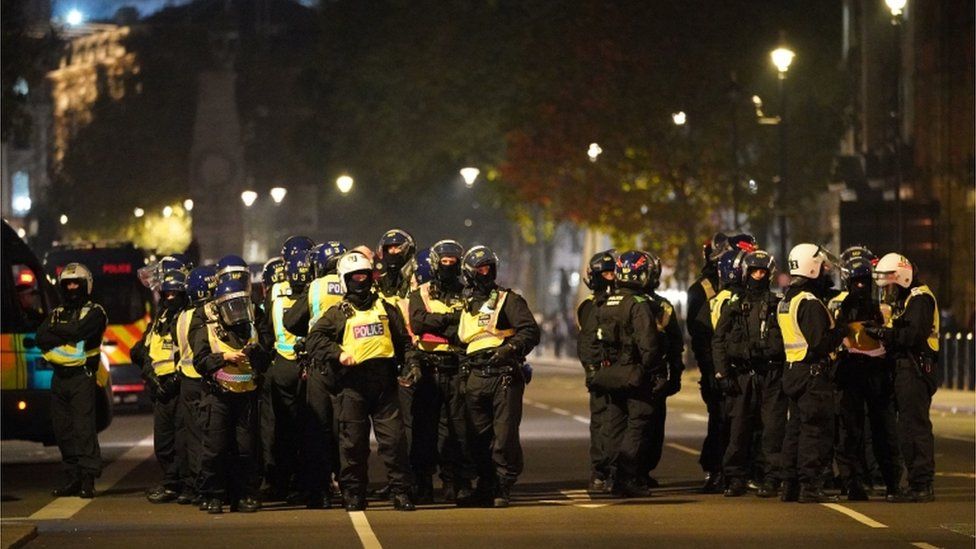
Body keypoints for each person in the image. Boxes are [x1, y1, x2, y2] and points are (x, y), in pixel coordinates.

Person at [305, 251, 418, 512]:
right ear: (345, 280)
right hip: (352, 386)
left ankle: (401, 491)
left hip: (385, 386)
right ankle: (354, 493)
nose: (361, 281)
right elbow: (314, 340)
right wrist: (338, 354)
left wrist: (411, 364)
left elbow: (404, 343)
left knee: (394, 442)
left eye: (365, 276)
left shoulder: (385, 309)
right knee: (353, 444)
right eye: (354, 277)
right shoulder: (337, 313)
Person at [458, 245, 540, 507]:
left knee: (504, 436)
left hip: (503, 374)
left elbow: (529, 331)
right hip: (474, 375)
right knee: (476, 438)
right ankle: (485, 485)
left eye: (488, 268)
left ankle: (503, 486)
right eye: (479, 269)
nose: (485, 273)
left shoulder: (508, 300)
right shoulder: (464, 305)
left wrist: (510, 349)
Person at [190, 277, 272, 514]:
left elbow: (266, 358)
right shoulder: (209, 329)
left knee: (246, 449)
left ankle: (245, 494)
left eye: (241, 305)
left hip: (246, 396)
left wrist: (257, 354)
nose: (237, 311)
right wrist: (224, 358)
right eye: (232, 306)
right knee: (215, 448)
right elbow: (200, 361)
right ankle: (213, 495)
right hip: (218, 396)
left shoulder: (253, 329)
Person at [589, 251, 664, 498]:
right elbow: (649, 345)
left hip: (611, 372)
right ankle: (625, 477)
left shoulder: (607, 302)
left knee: (613, 425)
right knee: (638, 424)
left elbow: (594, 341)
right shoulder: (639, 304)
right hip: (634, 372)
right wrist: (647, 371)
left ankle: (610, 475)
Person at [404, 239, 474, 504]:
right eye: (443, 262)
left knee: (459, 430)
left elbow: (467, 326)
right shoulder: (420, 292)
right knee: (424, 431)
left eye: (452, 262)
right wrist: (450, 320)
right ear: (435, 263)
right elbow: (419, 323)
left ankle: (457, 482)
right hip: (428, 369)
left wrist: (442, 324)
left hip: (458, 367)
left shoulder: (468, 291)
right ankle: (422, 483)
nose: (448, 266)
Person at [712, 250, 787, 498]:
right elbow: (719, 340)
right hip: (742, 375)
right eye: (754, 271)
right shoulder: (734, 305)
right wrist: (722, 373)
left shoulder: (778, 304)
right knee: (739, 430)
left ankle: (771, 478)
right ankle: (735, 478)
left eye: (762, 272)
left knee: (773, 430)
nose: (758, 275)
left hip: (771, 375)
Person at [828, 251, 902, 501]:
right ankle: (853, 483)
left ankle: (891, 481)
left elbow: (892, 336)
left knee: (883, 430)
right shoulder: (838, 305)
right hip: (850, 371)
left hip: (876, 372)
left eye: (864, 282)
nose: (860, 286)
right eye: (856, 282)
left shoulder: (882, 306)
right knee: (850, 431)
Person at [777, 243, 846, 503]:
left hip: (793, 371)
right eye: (823, 266)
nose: (827, 271)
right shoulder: (809, 302)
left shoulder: (787, 300)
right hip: (812, 374)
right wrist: (839, 330)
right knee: (814, 430)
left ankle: (789, 485)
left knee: (794, 429)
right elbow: (819, 342)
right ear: (812, 268)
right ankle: (810, 486)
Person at [868, 253, 939, 503]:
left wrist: (884, 334)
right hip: (906, 368)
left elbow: (912, 336)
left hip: (916, 369)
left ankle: (921, 484)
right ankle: (916, 482)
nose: (889, 291)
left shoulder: (920, 299)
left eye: (890, 285)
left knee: (914, 428)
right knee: (906, 428)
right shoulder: (910, 298)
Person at [284, 240, 347, 509]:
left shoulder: (316, 287)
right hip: (350, 363)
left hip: (321, 363)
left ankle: (320, 490)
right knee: (348, 429)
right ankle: (351, 486)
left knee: (318, 429)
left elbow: (291, 322)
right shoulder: (360, 281)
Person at [38, 262, 108, 499]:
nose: (71, 287)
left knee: (83, 430)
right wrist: (68, 330)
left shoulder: (96, 312)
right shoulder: (57, 313)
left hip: (82, 377)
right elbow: (41, 336)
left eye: (75, 282)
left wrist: (59, 332)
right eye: (67, 283)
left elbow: (79, 332)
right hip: (59, 378)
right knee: (62, 431)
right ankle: (73, 478)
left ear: (85, 284)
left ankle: (88, 481)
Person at [133, 270, 188, 503]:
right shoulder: (160, 319)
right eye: (167, 292)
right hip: (160, 386)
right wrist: (151, 377)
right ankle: (170, 481)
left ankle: (180, 484)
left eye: (175, 292)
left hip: (179, 386)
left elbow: (190, 352)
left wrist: (175, 380)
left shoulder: (186, 316)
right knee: (163, 442)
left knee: (182, 439)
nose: (170, 296)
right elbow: (146, 351)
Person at [263, 250, 314, 502]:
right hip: (312, 367)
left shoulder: (276, 297)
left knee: (283, 429)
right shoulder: (318, 293)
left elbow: (266, 333)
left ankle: (282, 483)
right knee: (312, 429)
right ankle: (310, 485)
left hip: (282, 365)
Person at [172, 265, 217, 505]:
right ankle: (213, 487)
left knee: (194, 437)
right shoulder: (215, 312)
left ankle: (198, 487)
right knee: (214, 436)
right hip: (211, 378)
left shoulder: (181, 316)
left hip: (188, 380)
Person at [641, 252, 684, 488]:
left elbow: (675, 343)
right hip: (643, 375)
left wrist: (675, 373)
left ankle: (638, 472)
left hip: (648, 375)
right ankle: (631, 472)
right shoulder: (659, 305)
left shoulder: (662, 307)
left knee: (650, 428)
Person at [576, 250, 616, 492]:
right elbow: (587, 340)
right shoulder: (589, 306)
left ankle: (622, 471)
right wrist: (592, 369)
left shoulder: (625, 302)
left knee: (623, 424)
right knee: (602, 423)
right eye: (606, 273)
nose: (611, 278)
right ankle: (600, 472)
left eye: (614, 272)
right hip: (602, 371)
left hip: (623, 370)